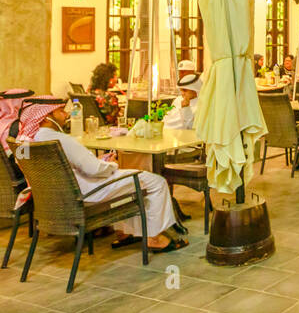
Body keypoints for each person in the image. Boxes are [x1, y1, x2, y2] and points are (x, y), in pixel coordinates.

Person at [16, 98, 186, 252]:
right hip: (88, 192)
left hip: (60, 196)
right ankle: (154, 238)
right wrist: (112, 164)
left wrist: (99, 161)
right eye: (61, 111)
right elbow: (95, 170)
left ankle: (125, 233)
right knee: (154, 181)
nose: (67, 113)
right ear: (46, 116)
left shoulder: (29, 140)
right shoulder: (60, 139)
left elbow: (70, 165)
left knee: (133, 182)